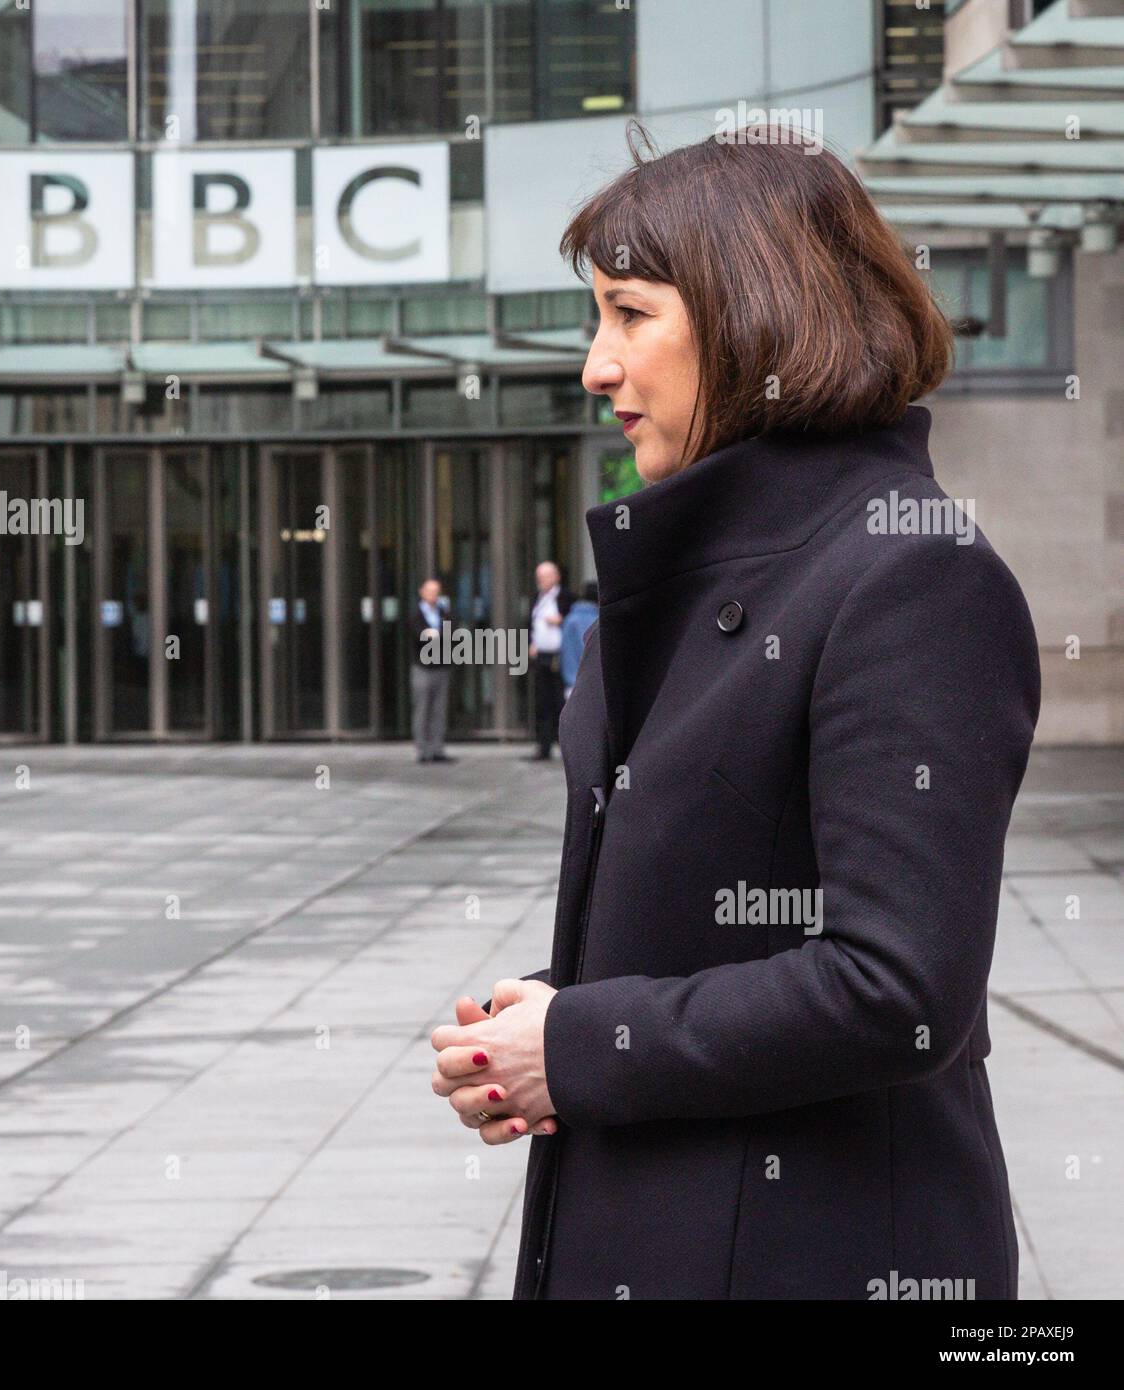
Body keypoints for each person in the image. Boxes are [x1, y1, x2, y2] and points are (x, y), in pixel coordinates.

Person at [428, 121, 1039, 1300]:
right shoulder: (700, 572)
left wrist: (576, 1046)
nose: (596, 365)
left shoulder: (907, 573)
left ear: (755, 312)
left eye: (629, 313)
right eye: (593, 316)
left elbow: (898, 988)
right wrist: (544, 1026)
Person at [524, 562, 572, 761]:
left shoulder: (566, 597)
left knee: (561, 702)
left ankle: (566, 746)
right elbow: (530, 624)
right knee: (542, 702)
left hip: (560, 656)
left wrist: (561, 619)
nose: (542, 580)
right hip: (541, 656)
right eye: (539, 577)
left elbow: (574, 623)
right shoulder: (537, 598)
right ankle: (543, 746)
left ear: (556, 577)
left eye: (545, 576)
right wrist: (531, 643)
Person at [409, 578, 456, 764]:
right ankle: (423, 750)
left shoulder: (443, 612)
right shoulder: (416, 614)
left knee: (439, 710)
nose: (433, 595)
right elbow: (419, 635)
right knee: (422, 709)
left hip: (441, 667)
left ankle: (437, 749)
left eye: (436, 591)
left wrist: (434, 634)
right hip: (423, 668)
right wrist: (434, 634)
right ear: (422, 592)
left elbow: (452, 632)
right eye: (430, 591)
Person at [559, 581, 598, 699]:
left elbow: (565, 650)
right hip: (593, 683)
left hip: (572, 681)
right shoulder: (597, 620)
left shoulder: (570, 619)